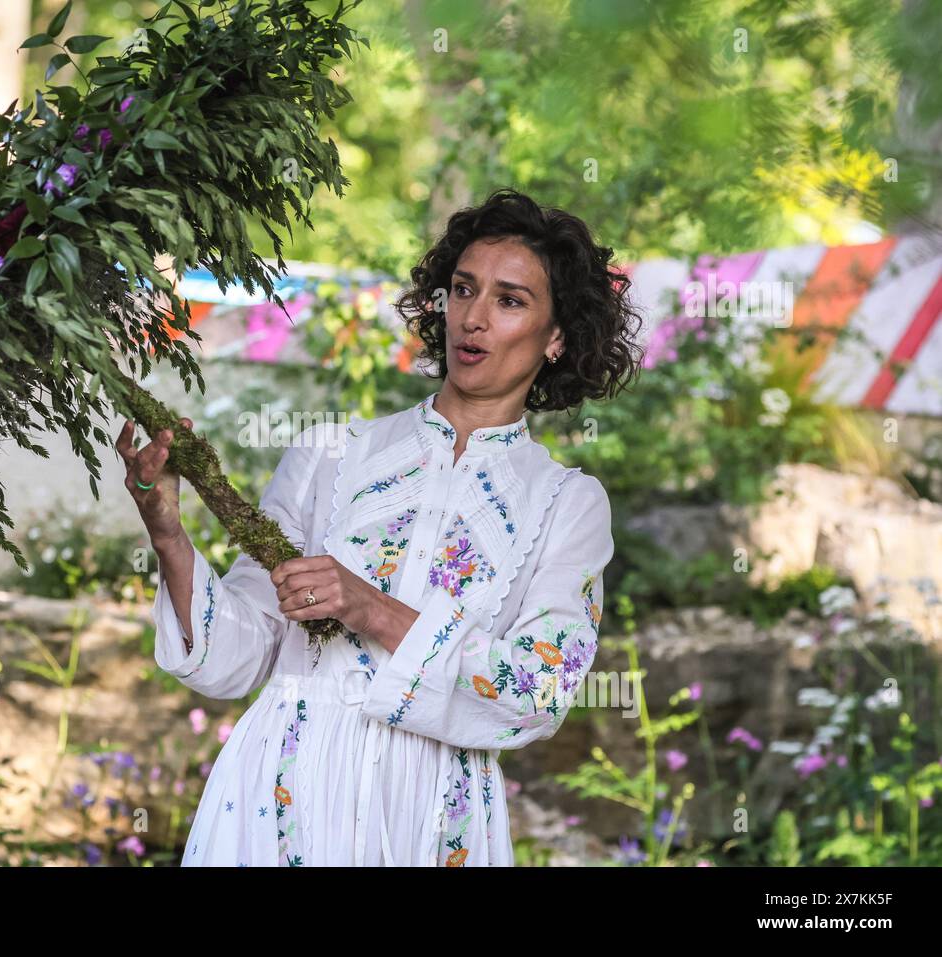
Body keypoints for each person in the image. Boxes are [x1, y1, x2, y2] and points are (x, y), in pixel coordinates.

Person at [117, 187, 643, 866]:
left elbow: (539, 690)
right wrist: (168, 535)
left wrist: (372, 608)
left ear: (557, 336)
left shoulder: (566, 502)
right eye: (463, 289)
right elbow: (237, 655)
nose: (473, 318)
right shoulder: (329, 453)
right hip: (285, 788)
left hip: (432, 812)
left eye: (510, 300)